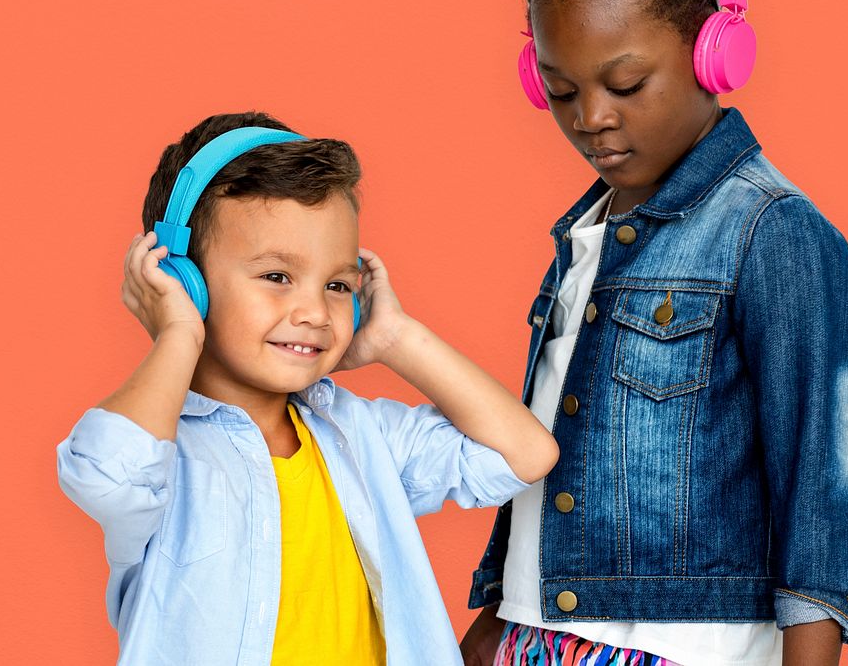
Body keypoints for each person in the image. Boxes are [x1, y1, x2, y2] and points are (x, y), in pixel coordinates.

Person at [460, 0, 848, 666]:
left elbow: (820, 486)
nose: (591, 118)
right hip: (534, 635)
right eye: (559, 90)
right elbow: (557, 435)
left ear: (717, 54)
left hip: (678, 645)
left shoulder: (773, 233)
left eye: (625, 85)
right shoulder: (586, 232)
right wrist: (498, 609)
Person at [56, 112, 559, 666]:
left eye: (339, 285)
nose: (316, 312)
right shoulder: (165, 452)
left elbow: (525, 454)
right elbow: (107, 474)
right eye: (276, 277)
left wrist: (397, 337)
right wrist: (178, 333)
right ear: (184, 281)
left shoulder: (364, 436)